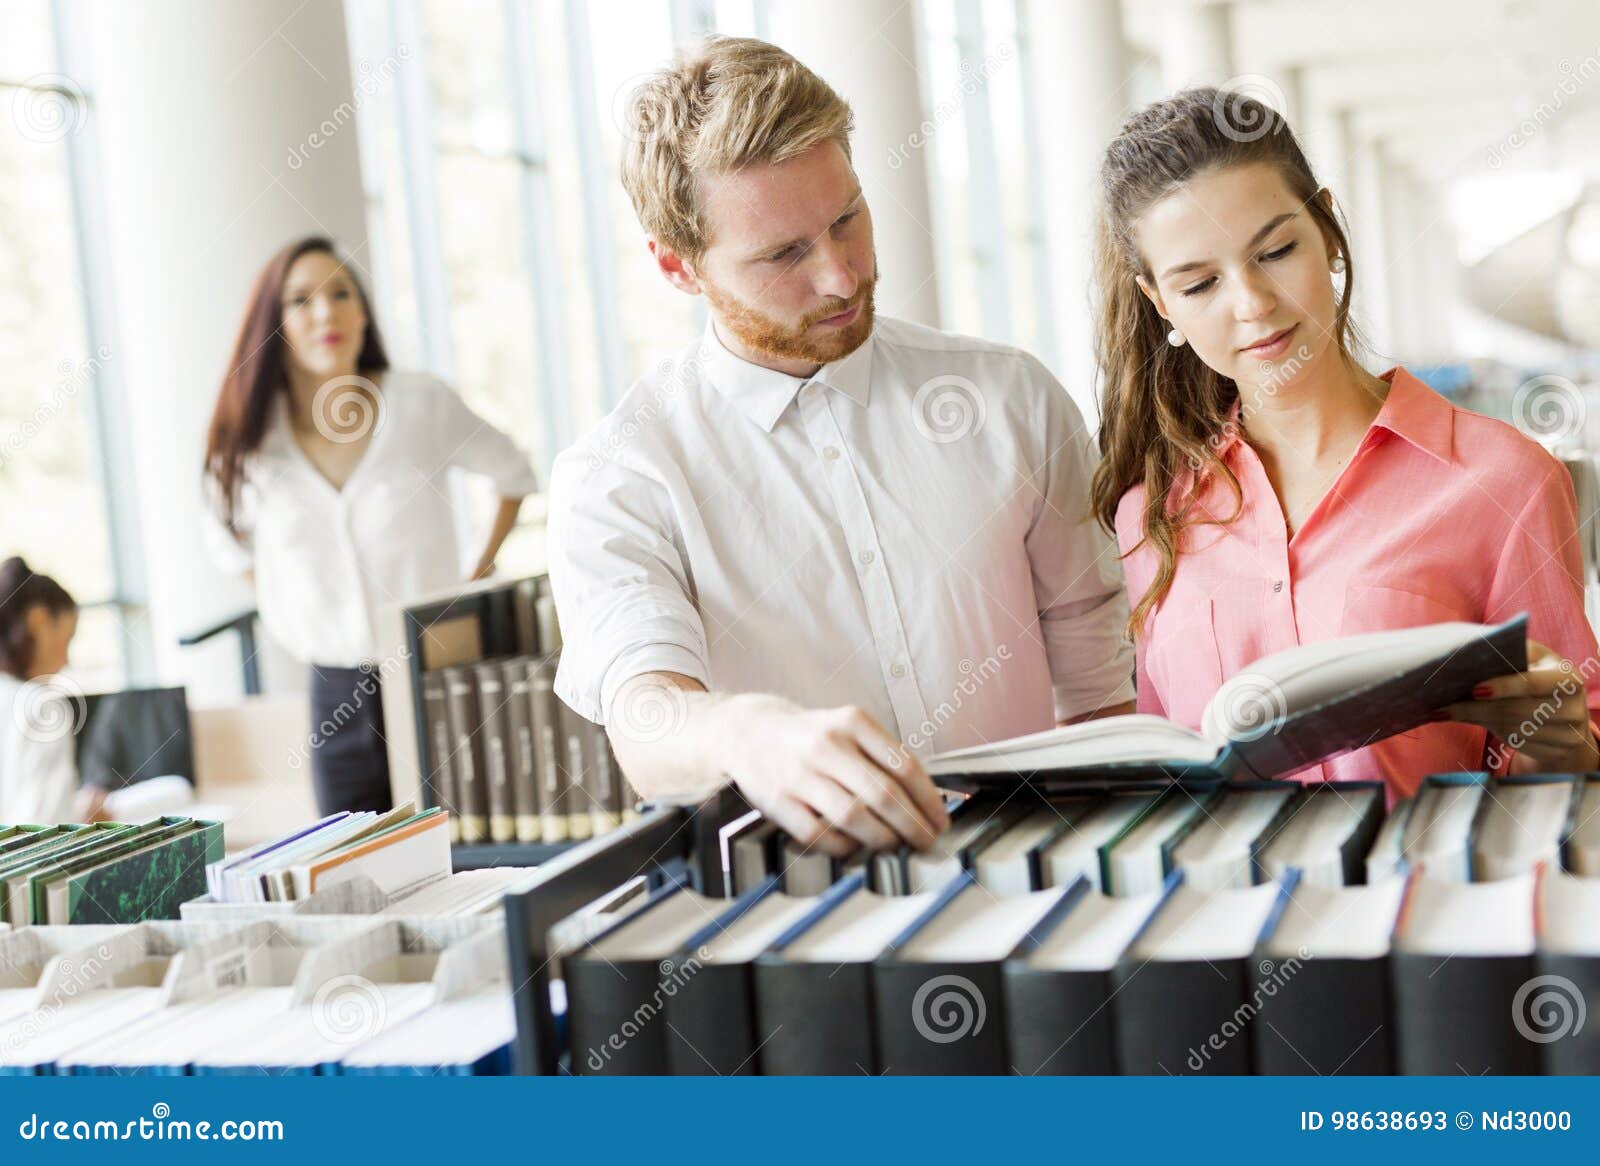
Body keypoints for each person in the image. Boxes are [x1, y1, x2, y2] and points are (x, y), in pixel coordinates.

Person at [546, 37, 1135, 857]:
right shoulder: (620, 476)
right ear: (678, 267)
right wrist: (747, 733)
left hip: (1041, 874)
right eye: (783, 254)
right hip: (800, 909)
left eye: (847, 220)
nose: (841, 276)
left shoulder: (1010, 399)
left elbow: (1101, 685)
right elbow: (647, 720)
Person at [1090, 87, 1600, 803]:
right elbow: (1168, 766)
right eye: (1200, 284)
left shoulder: (1503, 479)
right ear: (1159, 302)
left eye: (1275, 251)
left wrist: (1560, 740)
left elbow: (1571, 780)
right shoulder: (1152, 515)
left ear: (1328, 231)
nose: (1252, 303)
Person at [203, 237, 538, 815]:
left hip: (436, 674)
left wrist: (474, 577)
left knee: (462, 844)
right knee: (356, 857)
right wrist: (295, 605)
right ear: (274, 324)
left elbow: (513, 472)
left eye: (341, 293)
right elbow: (226, 544)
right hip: (334, 693)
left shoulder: (418, 403)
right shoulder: (250, 442)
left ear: (362, 313)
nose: (325, 313)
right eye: (301, 300)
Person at [0, 557, 108, 823]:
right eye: (67, 640)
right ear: (39, 622)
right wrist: (84, 821)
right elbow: (45, 835)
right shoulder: (42, 707)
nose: (66, 660)